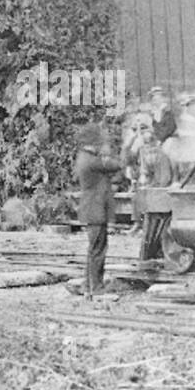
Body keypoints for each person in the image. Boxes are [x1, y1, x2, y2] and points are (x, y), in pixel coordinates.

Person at [73, 123, 121, 298]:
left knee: (94, 249)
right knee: (98, 250)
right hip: (95, 209)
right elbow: (116, 165)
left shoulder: (84, 157)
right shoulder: (93, 160)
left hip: (92, 208)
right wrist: (109, 151)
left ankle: (87, 285)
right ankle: (97, 288)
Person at [136, 125, 174, 264]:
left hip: (162, 194)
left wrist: (155, 187)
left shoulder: (162, 155)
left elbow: (165, 178)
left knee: (158, 227)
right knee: (150, 226)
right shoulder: (146, 153)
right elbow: (145, 172)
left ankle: (152, 254)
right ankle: (148, 255)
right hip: (155, 193)